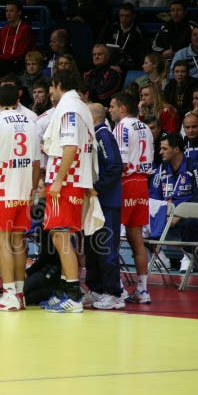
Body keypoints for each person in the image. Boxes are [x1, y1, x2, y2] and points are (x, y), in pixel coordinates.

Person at [0, 83, 41, 310]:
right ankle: (19, 294)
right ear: (18, 99)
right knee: (18, 241)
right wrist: (32, 190)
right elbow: (36, 163)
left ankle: (9, 294)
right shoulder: (32, 123)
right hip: (24, 191)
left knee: (0, 240)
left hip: (1, 191)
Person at [40, 70, 95, 313]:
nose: (50, 92)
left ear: (59, 84)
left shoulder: (70, 109)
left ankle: (73, 295)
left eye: (51, 87)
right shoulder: (76, 106)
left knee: (61, 236)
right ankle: (66, 290)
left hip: (68, 181)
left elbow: (71, 147)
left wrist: (59, 180)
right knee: (60, 236)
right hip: (73, 180)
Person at [108, 91, 154, 304]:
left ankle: (118, 288)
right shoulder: (145, 127)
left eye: (112, 106)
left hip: (126, 183)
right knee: (137, 238)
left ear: (123, 108)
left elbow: (121, 162)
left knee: (113, 238)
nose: (110, 110)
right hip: (142, 184)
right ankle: (143, 290)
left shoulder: (121, 127)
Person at [81, 103, 125, 310]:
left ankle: (114, 293)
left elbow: (115, 165)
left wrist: (97, 188)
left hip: (106, 201)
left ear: (92, 117)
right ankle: (97, 289)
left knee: (106, 248)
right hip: (95, 202)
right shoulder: (94, 135)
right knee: (93, 247)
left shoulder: (103, 136)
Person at [149, 131, 198, 271]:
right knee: (140, 221)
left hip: (189, 212)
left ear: (176, 149)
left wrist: (180, 214)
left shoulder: (195, 168)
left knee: (189, 222)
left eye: (164, 149)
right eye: (160, 148)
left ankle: (188, 257)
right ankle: (160, 258)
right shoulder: (161, 169)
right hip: (166, 212)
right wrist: (163, 213)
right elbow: (154, 196)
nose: (160, 152)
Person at [0, 1, 35, 76]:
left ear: (19, 13)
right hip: (4, 61)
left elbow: (21, 54)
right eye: (6, 11)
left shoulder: (25, 29)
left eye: (11, 11)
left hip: (18, 62)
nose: (8, 14)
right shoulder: (4, 29)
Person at [96, 3, 147, 73]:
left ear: (133, 16)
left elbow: (140, 56)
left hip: (127, 66)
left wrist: (122, 65)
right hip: (108, 62)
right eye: (121, 15)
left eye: (127, 16)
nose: (124, 19)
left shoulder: (138, 33)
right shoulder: (111, 27)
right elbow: (99, 44)